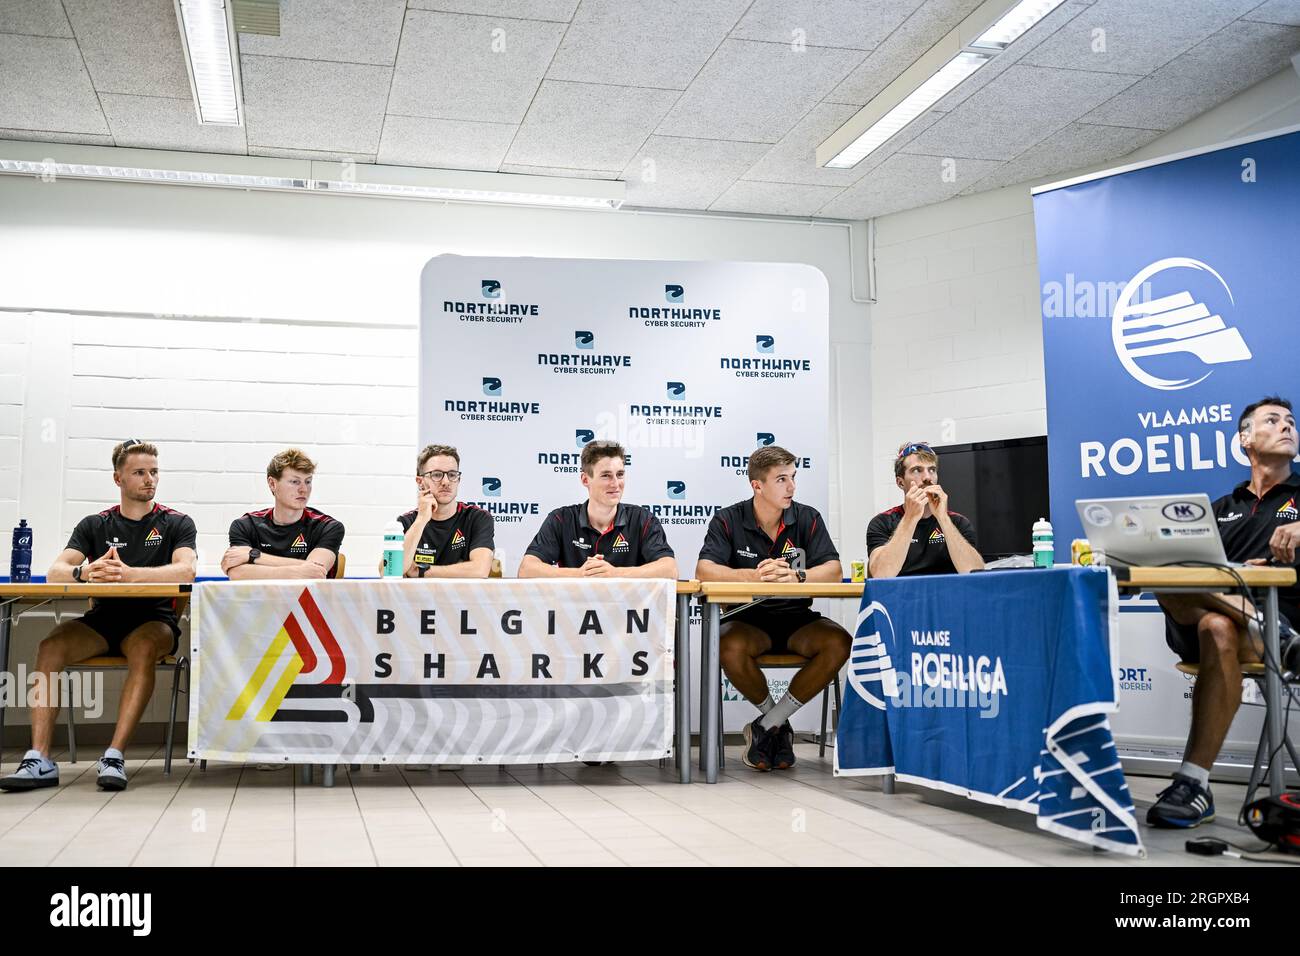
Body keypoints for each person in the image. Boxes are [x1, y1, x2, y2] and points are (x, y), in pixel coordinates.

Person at [1, 440, 197, 793]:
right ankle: (40, 758)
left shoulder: (176, 522)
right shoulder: (95, 524)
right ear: (117, 478)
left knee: (141, 646)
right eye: (139, 472)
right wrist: (84, 574)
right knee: (50, 647)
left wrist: (129, 574)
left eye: (154, 472)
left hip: (154, 622)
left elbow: (186, 571)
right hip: (104, 621)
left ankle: (114, 755)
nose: (149, 479)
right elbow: (56, 572)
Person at [1149, 396, 1300, 828]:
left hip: (1278, 613)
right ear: (1246, 439)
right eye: (1273, 420)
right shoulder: (1217, 508)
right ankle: (1272, 631)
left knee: (1219, 626)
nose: (1287, 426)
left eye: (1291, 421)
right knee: (1168, 567)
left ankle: (1193, 784)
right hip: (1248, 631)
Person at [696, 445, 850, 771]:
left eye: (793, 478)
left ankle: (768, 725)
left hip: (796, 620)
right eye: (782, 479)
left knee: (839, 642)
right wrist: (753, 576)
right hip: (747, 620)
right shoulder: (728, 519)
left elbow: (833, 571)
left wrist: (798, 576)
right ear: (757, 485)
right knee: (727, 645)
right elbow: (704, 571)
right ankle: (777, 726)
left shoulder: (807, 517)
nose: (792, 487)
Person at [518, 440, 676, 579]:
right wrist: (580, 574)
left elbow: (670, 569)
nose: (615, 484)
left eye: (619, 474)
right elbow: (527, 569)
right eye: (606, 475)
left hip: (627, 612)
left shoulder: (642, 519)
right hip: (574, 611)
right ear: (585, 479)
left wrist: (614, 573)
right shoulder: (561, 519)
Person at [221, 448, 344, 580]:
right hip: (262, 600)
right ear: (272, 484)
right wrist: (300, 570)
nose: (304, 489)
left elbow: (315, 574)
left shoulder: (329, 526)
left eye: (308, 481)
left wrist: (254, 556)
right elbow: (237, 574)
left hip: (308, 600)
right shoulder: (245, 525)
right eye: (295, 482)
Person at [867, 441, 984, 578]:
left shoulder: (958, 522)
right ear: (900, 482)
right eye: (917, 470)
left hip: (947, 596)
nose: (928, 477)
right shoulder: (882, 522)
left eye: (932, 470)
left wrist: (943, 518)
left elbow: (975, 573)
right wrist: (910, 518)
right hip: (902, 597)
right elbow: (881, 575)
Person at [396, 444, 494, 578]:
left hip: (463, 598)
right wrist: (421, 520)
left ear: (458, 479)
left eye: (452, 474)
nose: (446, 482)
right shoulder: (406, 522)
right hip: (418, 599)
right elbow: (389, 571)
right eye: (436, 475)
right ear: (420, 482)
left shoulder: (477, 518)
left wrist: (420, 571)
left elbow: (479, 570)